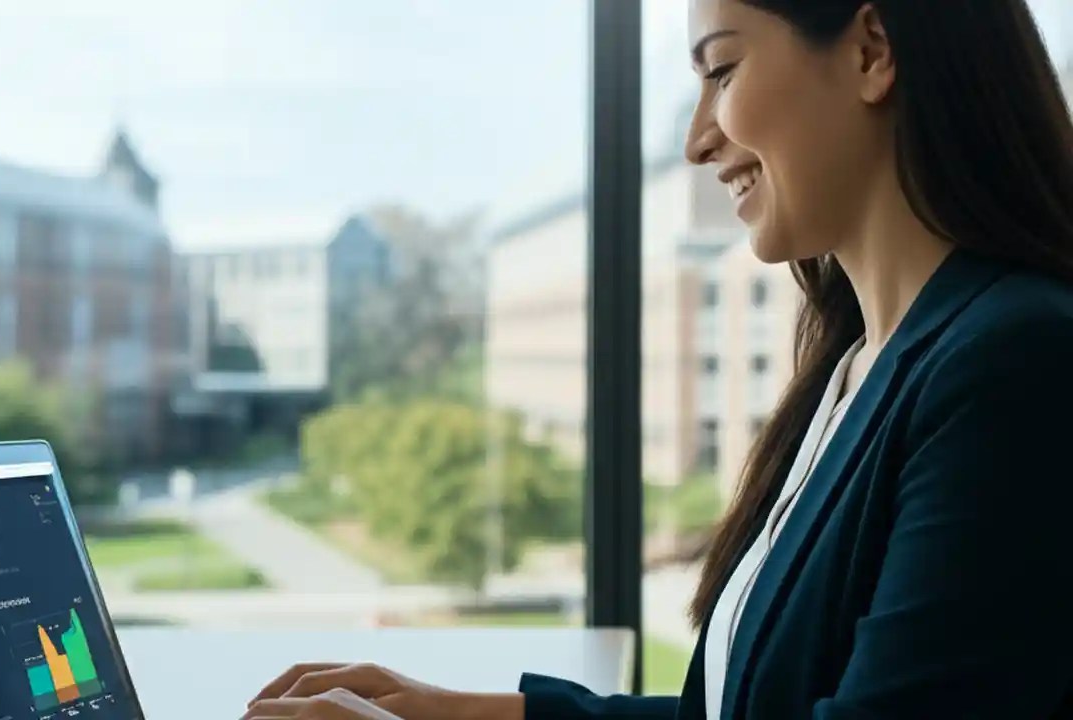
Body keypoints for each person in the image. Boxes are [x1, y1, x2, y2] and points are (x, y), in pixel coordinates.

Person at [243, 0, 1073, 717]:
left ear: (870, 51)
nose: (695, 140)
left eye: (721, 72)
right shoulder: (856, 365)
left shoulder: (1012, 366)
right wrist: (470, 714)